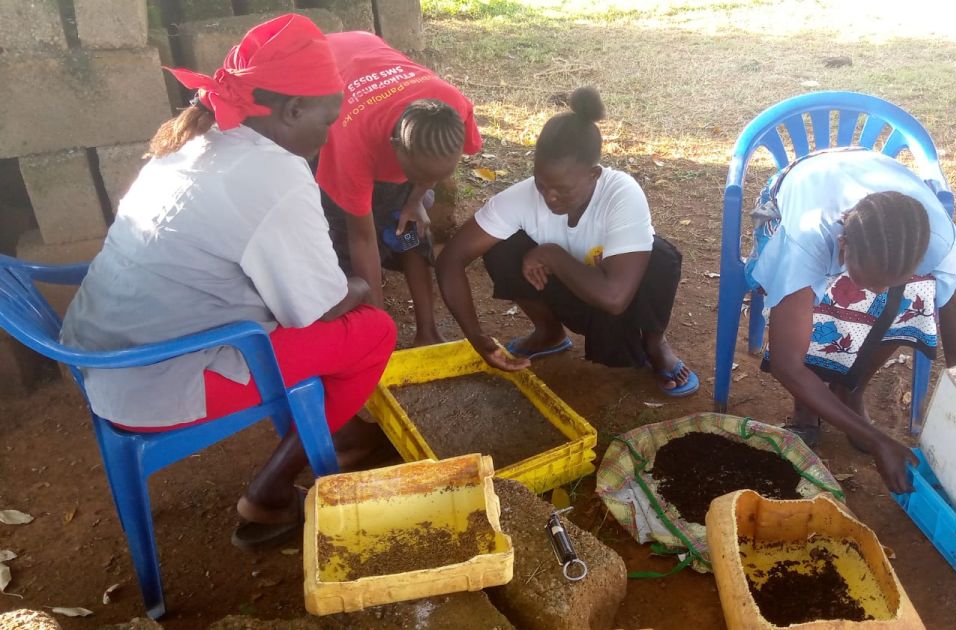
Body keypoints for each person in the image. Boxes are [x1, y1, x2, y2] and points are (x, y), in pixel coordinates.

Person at [59, 14, 396, 549]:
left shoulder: (197, 137)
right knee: (373, 330)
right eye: (328, 121)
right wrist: (357, 287)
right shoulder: (277, 175)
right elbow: (320, 309)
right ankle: (270, 489)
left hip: (101, 359)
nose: (329, 135)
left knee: (298, 322)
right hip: (155, 384)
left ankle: (331, 428)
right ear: (293, 109)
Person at [745, 147, 956, 493]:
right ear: (843, 245)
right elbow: (788, 364)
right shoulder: (807, 239)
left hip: (872, 193)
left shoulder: (929, 235)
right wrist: (877, 440)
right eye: (871, 278)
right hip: (804, 191)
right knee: (818, 306)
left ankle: (851, 385)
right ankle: (806, 407)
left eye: (889, 279)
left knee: (916, 296)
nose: (876, 291)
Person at [436, 87, 699, 396]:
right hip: (575, 293)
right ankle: (548, 332)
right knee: (501, 248)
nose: (549, 197)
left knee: (660, 257)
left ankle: (655, 343)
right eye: (541, 183)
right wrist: (476, 337)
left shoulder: (622, 194)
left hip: (617, 301)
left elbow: (615, 298)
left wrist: (551, 254)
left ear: (593, 175)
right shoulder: (522, 197)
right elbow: (451, 259)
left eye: (562, 189)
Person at [315, 31, 483, 347]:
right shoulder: (350, 144)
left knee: (407, 230)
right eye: (417, 175)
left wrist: (415, 200)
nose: (428, 180)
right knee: (348, 252)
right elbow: (361, 239)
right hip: (325, 66)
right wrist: (381, 338)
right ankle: (375, 332)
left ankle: (427, 332)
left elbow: (427, 175)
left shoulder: (453, 109)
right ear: (395, 150)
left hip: (368, 60)